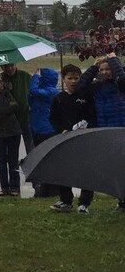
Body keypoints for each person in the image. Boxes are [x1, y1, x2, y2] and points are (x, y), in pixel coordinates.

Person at [78, 53, 125, 210]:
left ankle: (123, 201)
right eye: (102, 69)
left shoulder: (120, 85)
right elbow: (81, 87)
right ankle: (86, 202)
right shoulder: (97, 87)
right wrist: (93, 67)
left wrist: (113, 60)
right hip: (103, 131)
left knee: (121, 168)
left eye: (108, 69)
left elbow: (123, 80)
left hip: (120, 130)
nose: (105, 72)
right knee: (102, 168)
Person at [48, 64, 97, 214]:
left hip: (84, 139)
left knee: (86, 171)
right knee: (64, 170)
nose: (74, 81)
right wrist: (62, 129)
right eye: (70, 78)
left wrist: (87, 127)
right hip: (66, 139)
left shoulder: (86, 96)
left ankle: (84, 203)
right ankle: (65, 200)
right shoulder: (58, 99)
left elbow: (93, 116)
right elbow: (53, 119)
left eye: (77, 78)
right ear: (63, 79)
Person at [27, 67, 60, 197]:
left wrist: (35, 77)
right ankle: (45, 187)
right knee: (41, 160)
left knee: (47, 160)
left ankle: (52, 188)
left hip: (46, 130)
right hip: (37, 128)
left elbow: (32, 90)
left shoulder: (51, 91)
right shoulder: (41, 92)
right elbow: (31, 98)